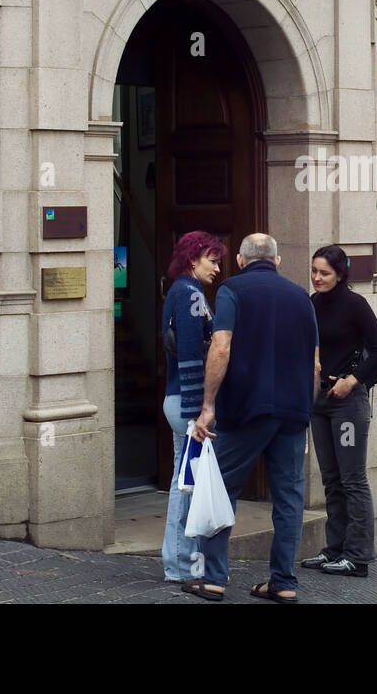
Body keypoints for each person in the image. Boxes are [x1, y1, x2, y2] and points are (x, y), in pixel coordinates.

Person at [184, 233, 319, 604]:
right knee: (289, 498)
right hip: (293, 411)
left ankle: (213, 579)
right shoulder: (302, 298)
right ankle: (283, 581)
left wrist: (208, 405)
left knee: (221, 489)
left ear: (241, 261)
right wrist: (305, 411)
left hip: (246, 408)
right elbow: (315, 363)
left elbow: (221, 345)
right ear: (277, 261)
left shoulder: (232, 289)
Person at [302, 246, 377, 577]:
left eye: (324, 272)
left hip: (347, 404)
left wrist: (352, 380)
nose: (317, 277)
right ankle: (334, 549)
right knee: (331, 479)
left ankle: (358, 556)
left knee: (352, 479)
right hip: (319, 401)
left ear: (340, 274)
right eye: (314, 271)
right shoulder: (312, 304)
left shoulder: (355, 304)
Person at [159, 230, 225, 583]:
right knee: (186, 486)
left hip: (181, 402)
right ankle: (180, 566)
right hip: (187, 404)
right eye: (212, 261)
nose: (217, 268)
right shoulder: (190, 293)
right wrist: (199, 411)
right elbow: (188, 355)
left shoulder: (183, 291)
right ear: (192, 260)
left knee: (184, 483)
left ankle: (179, 564)